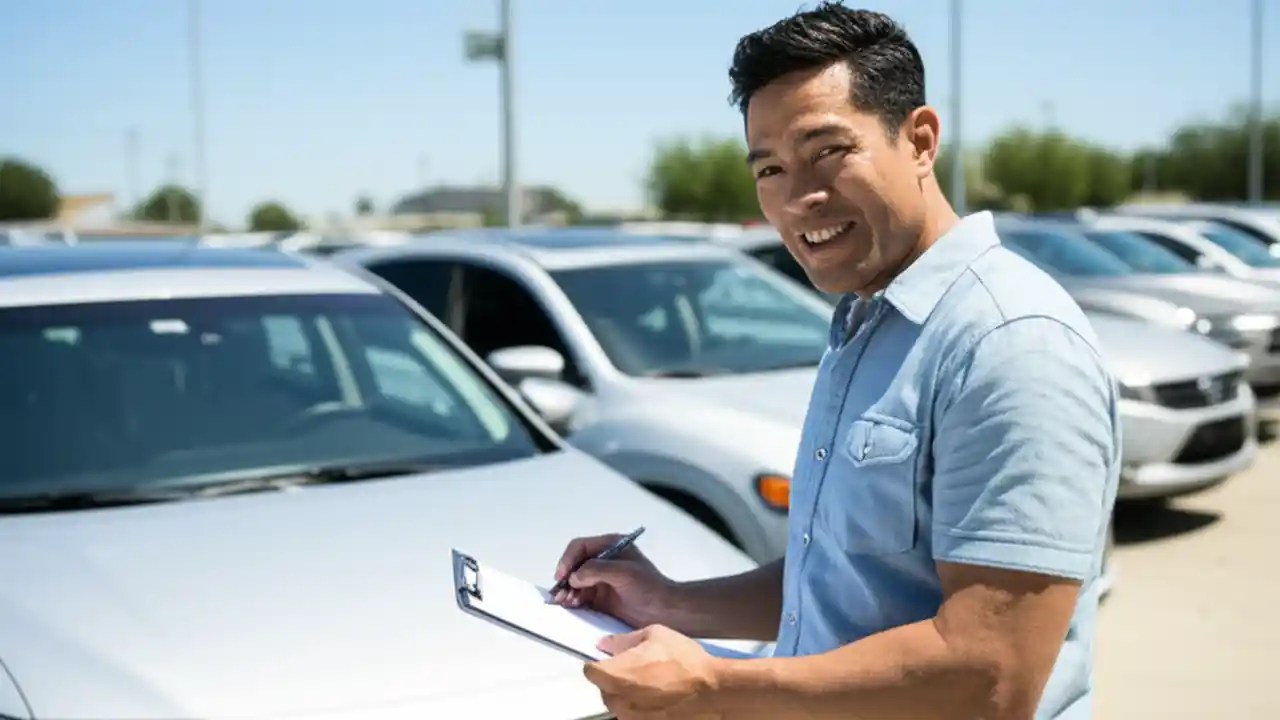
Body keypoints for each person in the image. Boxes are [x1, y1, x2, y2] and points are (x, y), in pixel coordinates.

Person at [551, 3, 1120, 718]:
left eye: (828, 152)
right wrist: (665, 603)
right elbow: (845, 586)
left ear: (919, 140)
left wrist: (716, 689)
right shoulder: (869, 322)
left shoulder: (1010, 342)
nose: (799, 199)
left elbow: (990, 672)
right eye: (771, 168)